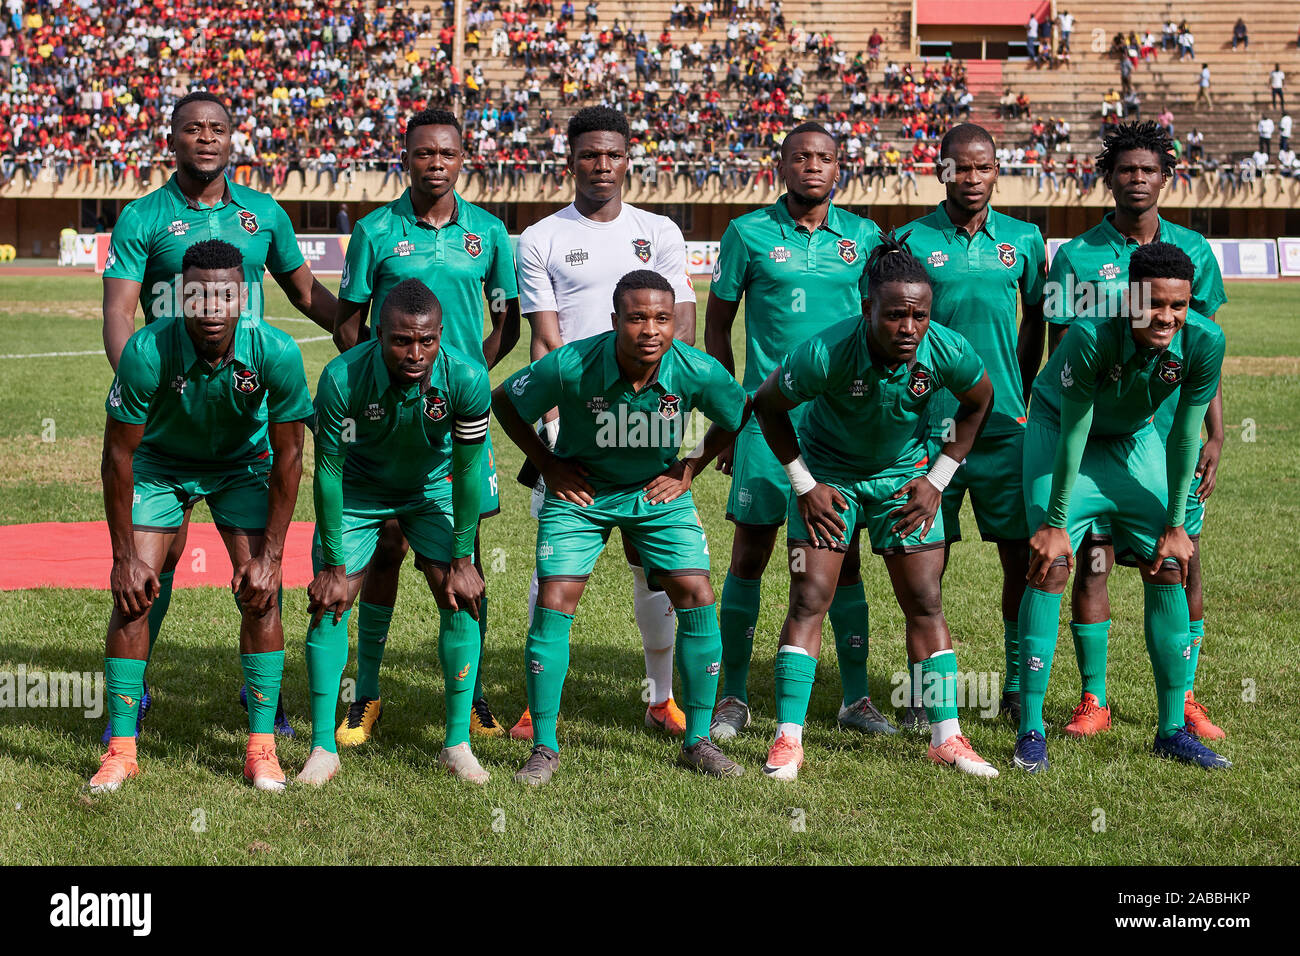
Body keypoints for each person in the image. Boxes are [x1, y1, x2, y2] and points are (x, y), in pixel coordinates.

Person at [101, 91, 337, 740]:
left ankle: (264, 699)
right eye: (191, 129)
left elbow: (307, 293)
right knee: (157, 565)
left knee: (263, 566)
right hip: (171, 418)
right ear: (171, 139)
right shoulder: (144, 217)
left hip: (248, 426)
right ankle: (134, 689)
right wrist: (142, 385)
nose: (205, 139)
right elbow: (119, 312)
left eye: (217, 129)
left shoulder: (264, 214)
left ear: (233, 139)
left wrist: (364, 330)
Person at [750, 233, 998, 780]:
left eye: (919, 316)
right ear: (867, 309)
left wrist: (938, 476)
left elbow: (981, 401)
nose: (908, 328)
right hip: (829, 477)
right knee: (810, 596)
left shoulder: (948, 350)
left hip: (903, 481)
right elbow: (766, 405)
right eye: (894, 316)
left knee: (926, 601)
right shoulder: (825, 352)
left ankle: (947, 737)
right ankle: (788, 740)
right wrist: (804, 484)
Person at [494, 270, 750, 785]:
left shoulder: (694, 369)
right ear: (615, 322)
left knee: (696, 593)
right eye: (636, 318)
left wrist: (688, 470)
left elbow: (738, 411)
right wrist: (548, 465)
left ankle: (697, 739)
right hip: (581, 491)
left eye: (662, 318)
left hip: (654, 492)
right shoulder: (572, 363)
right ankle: (544, 746)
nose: (651, 329)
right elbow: (504, 401)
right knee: (554, 599)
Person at [89, 239, 313, 793]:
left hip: (242, 466)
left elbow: (290, 457)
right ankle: (120, 750)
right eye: (199, 295)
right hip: (161, 466)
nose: (212, 307)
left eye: (225, 295)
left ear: (244, 297)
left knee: (262, 588)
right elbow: (118, 457)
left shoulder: (277, 351)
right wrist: (122, 557)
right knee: (135, 591)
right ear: (177, 296)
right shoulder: (146, 351)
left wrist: (272, 556)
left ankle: (261, 749)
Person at [334, 108, 521, 744]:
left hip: (456, 420)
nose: (434, 163)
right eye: (423, 153)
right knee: (385, 545)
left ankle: (470, 695)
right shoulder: (374, 230)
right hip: (385, 419)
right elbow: (349, 323)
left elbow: (507, 323)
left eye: (446, 153)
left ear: (462, 158)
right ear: (405, 157)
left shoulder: (491, 232)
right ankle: (367, 690)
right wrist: (378, 389)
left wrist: (461, 382)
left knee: (461, 557)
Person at [512, 105, 698, 741]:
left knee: (655, 570)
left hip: (648, 425)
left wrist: (675, 417)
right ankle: (540, 706)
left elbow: (684, 327)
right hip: (576, 427)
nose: (602, 165)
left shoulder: (661, 232)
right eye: (589, 155)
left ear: (628, 160)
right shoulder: (541, 237)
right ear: (570, 161)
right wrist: (556, 429)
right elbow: (544, 340)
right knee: (552, 568)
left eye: (613, 154)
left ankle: (661, 697)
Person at [704, 122, 895, 739]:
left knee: (844, 558)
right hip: (767, 421)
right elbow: (718, 330)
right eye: (800, 157)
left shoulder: (865, 236)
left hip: (841, 425)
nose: (813, 166)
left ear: (840, 168)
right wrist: (730, 419)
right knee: (752, 552)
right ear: (780, 166)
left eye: (825, 158)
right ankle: (733, 695)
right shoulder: (746, 234)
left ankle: (856, 698)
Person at [1044, 121, 1228, 743]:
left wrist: (1215, 434)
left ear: (1166, 177)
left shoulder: (1193, 252)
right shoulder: (1075, 255)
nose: (1138, 179)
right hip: (1087, 421)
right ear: (1109, 177)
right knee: (1092, 560)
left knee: (1179, 557)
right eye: (1126, 170)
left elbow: (1201, 351)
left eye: (1149, 170)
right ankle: (1093, 699)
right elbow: (1062, 348)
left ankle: (1184, 695)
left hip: (1159, 427)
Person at [1015, 242, 1229, 773]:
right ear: (1130, 296)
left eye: (1177, 306)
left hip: (1134, 441)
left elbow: (1183, 435)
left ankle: (1171, 729)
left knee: (1171, 561)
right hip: (1062, 434)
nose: (1167, 317)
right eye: (1154, 304)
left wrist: (1176, 525)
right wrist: (1056, 522)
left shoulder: (1204, 342)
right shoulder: (1091, 334)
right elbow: (1075, 428)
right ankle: (1031, 731)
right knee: (1052, 564)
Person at [297, 279, 493, 786]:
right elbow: (330, 473)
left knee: (460, 594)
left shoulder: (466, 378)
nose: (415, 353)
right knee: (330, 600)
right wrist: (335, 566)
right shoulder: (342, 378)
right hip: (360, 490)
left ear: (441, 335)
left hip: (430, 490)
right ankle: (322, 748)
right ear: (378, 333)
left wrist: (462, 558)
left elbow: (469, 472)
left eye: (426, 341)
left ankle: (456, 744)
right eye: (401, 340)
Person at [902, 125, 1046, 726]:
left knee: (1019, 557)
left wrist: (1018, 390)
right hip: (926, 424)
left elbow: (1036, 322)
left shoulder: (1025, 239)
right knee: (922, 559)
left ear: (996, 173)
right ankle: (924, 691)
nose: (971, 178)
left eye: (982, 168)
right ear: (941, 170)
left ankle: (1014, 684)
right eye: (960, 168)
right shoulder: (910, 238)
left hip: (1004, 427)